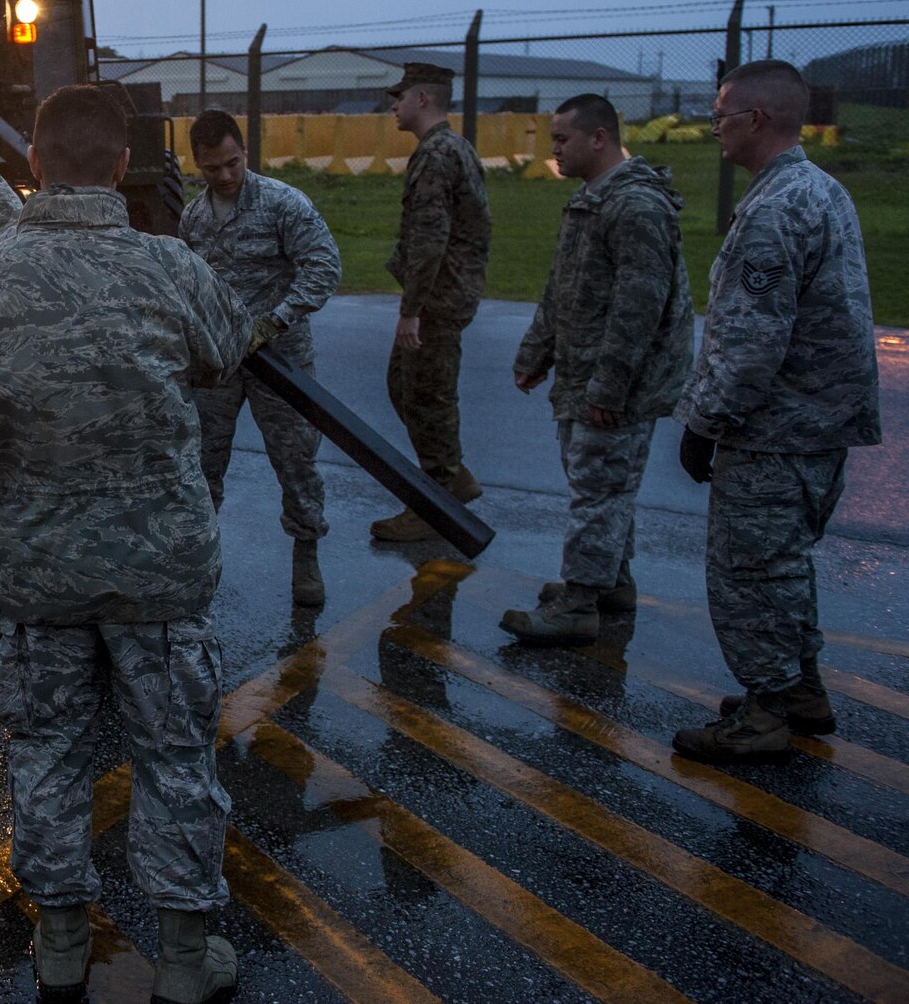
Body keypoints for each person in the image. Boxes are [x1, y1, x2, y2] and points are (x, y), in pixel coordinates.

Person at [0, 84, 247, 1004]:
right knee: (174, 755)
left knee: (47, 753)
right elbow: (226, 348)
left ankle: (58, 948)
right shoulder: (173, 268)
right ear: (125, 165)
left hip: (39, 578)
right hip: (159, 577)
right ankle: (181, 959)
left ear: (35, 167)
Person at [671, 59, 882, 761]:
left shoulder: (773, 208)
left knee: (748, 571)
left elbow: (752, 339)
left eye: (722, 114)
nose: (714, 127)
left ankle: (763, 712)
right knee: (786, 564)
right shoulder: (820, 190)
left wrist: (704, 421)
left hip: (773, 431)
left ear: (755, 119)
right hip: (819, 426)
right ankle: (800, 689)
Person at [500, 94, 693, 644]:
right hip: (586, 373)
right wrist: (535, 353)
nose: (554, 149)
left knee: (598, 489)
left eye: (562, 139)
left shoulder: (635, 206)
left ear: (599, 138)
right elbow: (565, 285)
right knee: (600, 483)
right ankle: (611, 582)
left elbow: (639, 309)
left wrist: (608, 388)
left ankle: (581, 603)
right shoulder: (592, 199)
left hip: (614, 383)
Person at [180, 110, 342, 605]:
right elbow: (190, 286)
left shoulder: (282, 203)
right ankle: (199, 562)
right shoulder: (193, 217)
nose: (225, 176)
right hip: (220, 363)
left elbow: (324, 266)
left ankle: (306, 553)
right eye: (212, 169)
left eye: (232, 163)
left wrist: (276, 319)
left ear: (244, 151)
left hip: (281, 359)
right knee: (202, 463)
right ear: (197, 166)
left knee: (295, 459)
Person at [371, 61, 492, 542]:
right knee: (406, 386)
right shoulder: (451, 148)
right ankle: (450, 473)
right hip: (446, 294)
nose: (394, 106)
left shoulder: (437, 155)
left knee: (426, 396)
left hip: (437, 300)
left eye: (399, 97)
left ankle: (437, 496)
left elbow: (429, 241)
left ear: (422, 99)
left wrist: (410, 310)